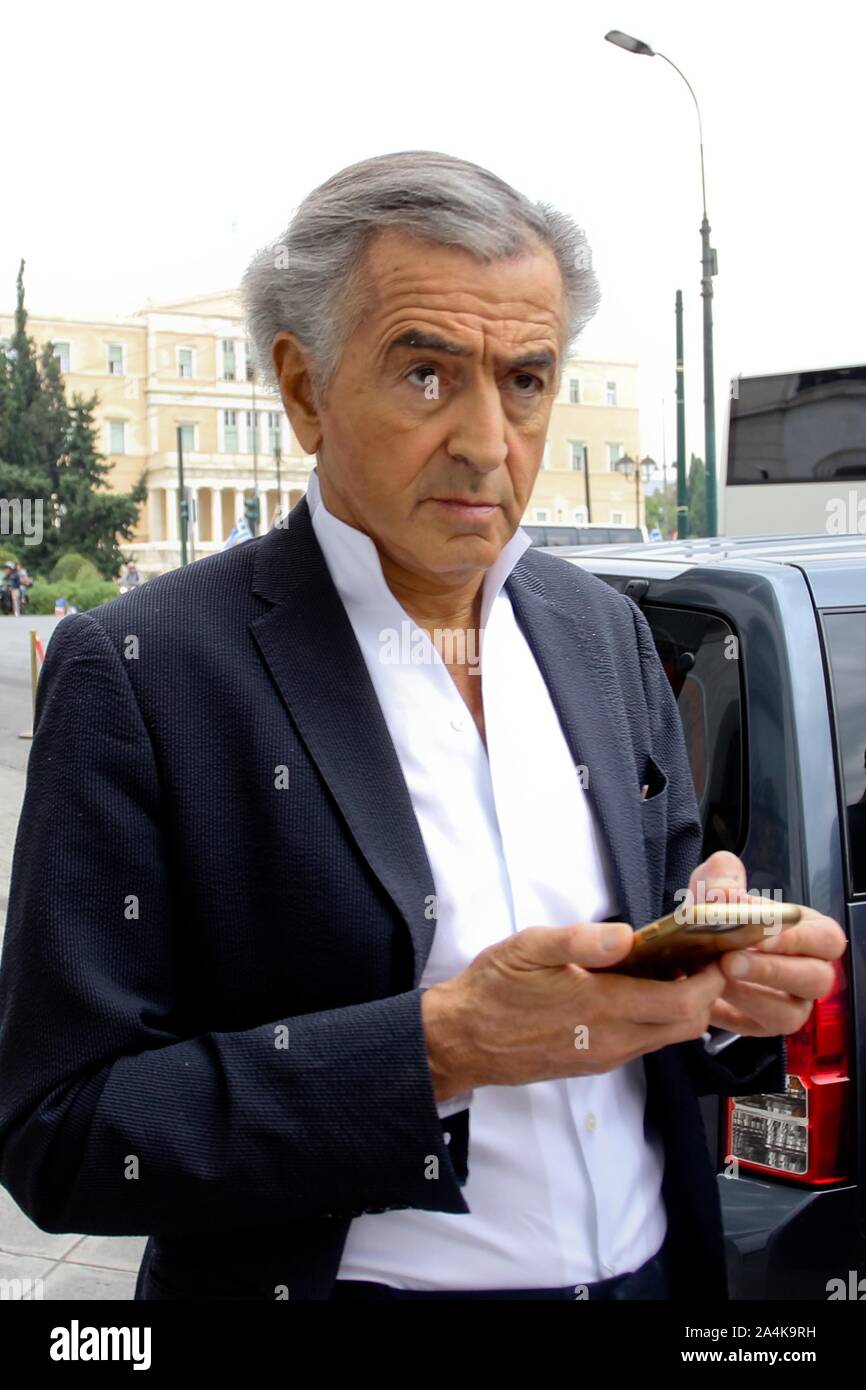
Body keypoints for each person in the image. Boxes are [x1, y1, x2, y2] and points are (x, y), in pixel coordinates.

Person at [0, 152, 845, 1302]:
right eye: (426, 374)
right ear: (302, 389)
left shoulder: (598, 632)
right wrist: (444, 1045)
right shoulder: (148, 672)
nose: (489, 442)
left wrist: (719, 995)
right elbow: (62, 1130)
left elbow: (646, 991)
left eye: (528, 379)